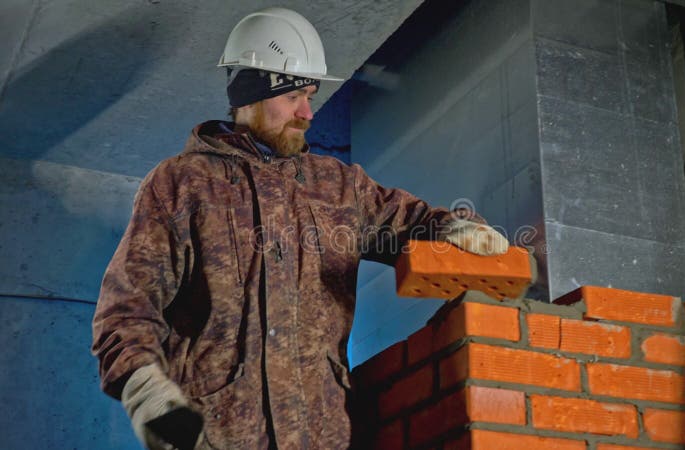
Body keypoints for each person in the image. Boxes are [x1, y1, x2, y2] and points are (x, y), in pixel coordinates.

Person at [91, 7, 509, 450]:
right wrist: (146, 391)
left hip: (321, 436)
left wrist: (457, 229)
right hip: (219, 437)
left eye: (309, 95)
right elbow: (128, 307)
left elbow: (413, 221)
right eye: (293, 96)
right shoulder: (182, 185)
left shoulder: (338, 187)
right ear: (250, 93)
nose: (307, 112)